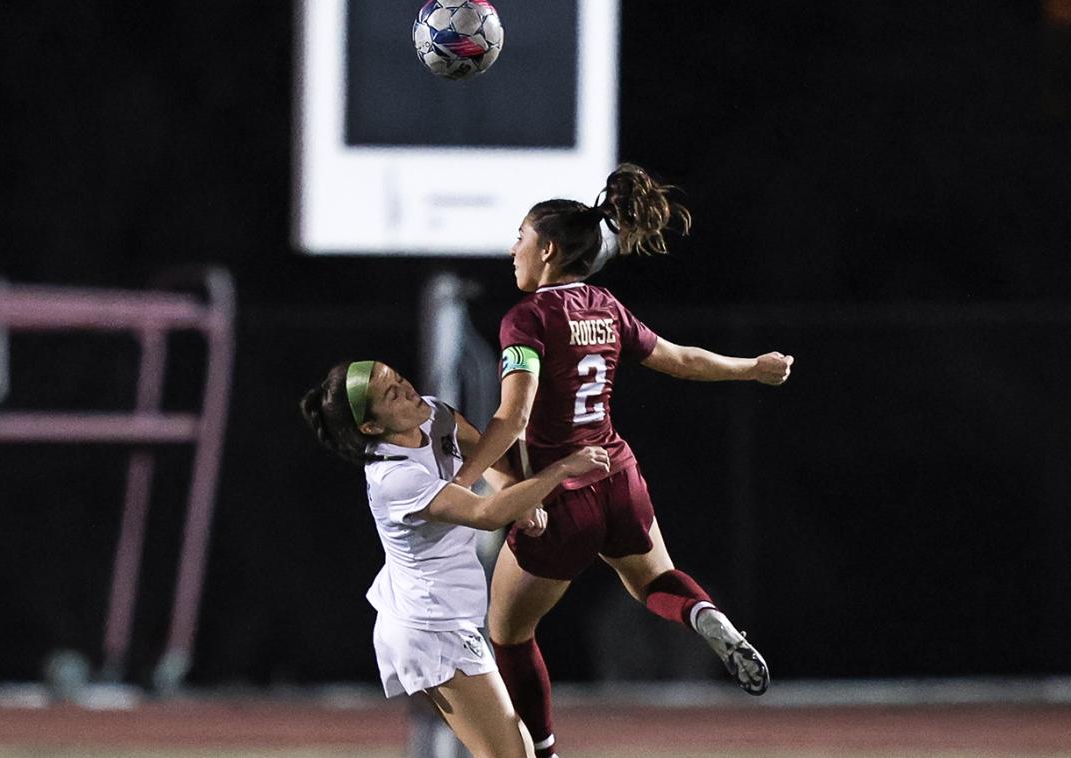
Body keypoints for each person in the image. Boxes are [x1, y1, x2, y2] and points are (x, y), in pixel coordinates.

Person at [450, 164, 794, 758]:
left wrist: (463, 479)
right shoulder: (604, 306)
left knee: (508, 634)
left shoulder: (525, 319)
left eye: (521, 239)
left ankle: (546, 752)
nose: (513, 250)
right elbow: (682, 360)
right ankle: (704, 613)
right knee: (655, 579)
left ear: (549, 250)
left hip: (559, 496)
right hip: (618, 474)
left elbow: (511, 418)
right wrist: (752, 368)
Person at [300, 359, 610, 758]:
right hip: (431, 630)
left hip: (438, 619)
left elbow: (485, 454)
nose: (407, 389)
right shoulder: (395, 478)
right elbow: (486, 515)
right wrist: (561, 471)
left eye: (399, 377)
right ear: (372, 428)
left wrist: (517, 497)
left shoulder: (432, 414)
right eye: (391, 394)